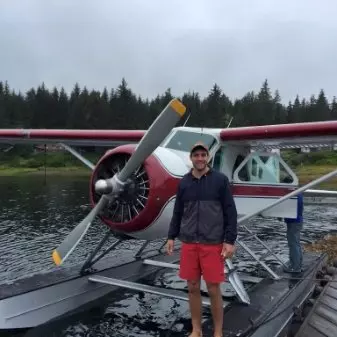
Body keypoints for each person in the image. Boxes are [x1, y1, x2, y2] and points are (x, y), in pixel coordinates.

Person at [166, 142, 238, 337]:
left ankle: (217, 331)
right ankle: (196, 330)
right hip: (189, 243)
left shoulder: (220, 181)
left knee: (214, 288)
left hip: (212, 242)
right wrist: (171, 236)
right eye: (196, 155)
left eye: (203, 155)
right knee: (192, 287)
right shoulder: (184, 183)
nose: (200, 158)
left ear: (208, 157)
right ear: (191, 158)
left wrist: (230, 240)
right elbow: (178, 212)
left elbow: (230, 212)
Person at [283, 193, 304, 273]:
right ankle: (298, 265)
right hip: (297, 221)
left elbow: (291, 208)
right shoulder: (298, 193)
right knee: (296, 244)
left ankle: (295, 267)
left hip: (293, 222)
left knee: (293, 244)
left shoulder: (293, 194)